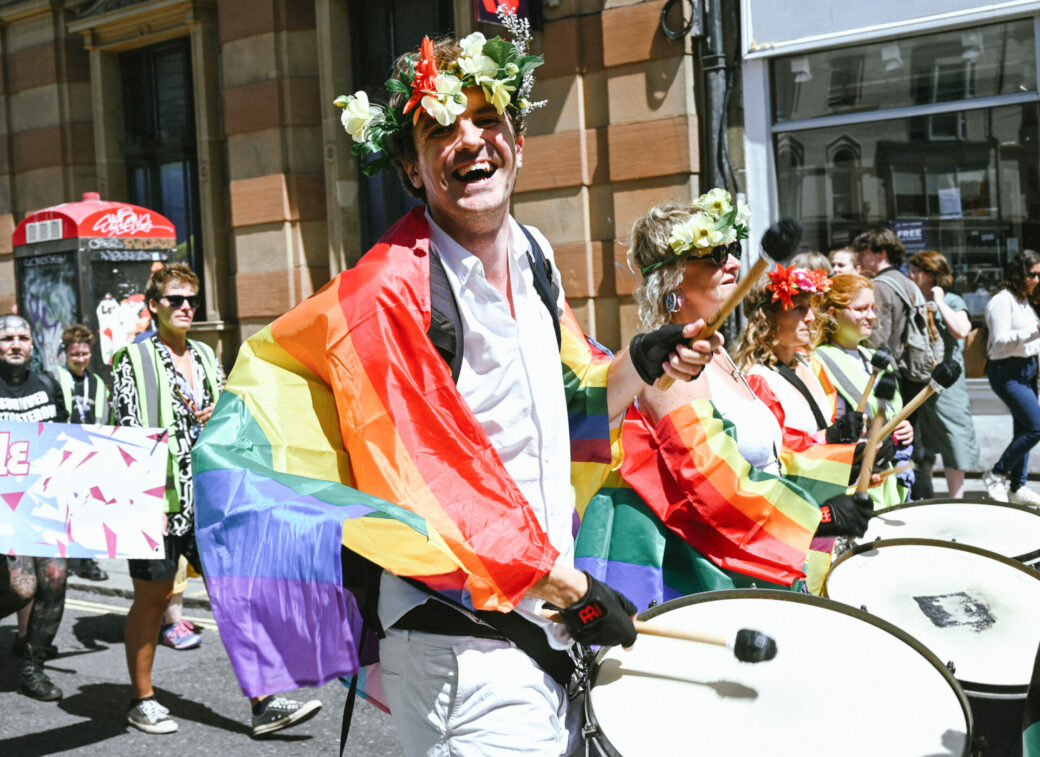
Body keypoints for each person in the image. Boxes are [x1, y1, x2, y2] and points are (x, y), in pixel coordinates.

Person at [193, 18, 707, 756]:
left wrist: (638, 359)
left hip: (545, 623)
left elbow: (567, 402)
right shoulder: (385, 293)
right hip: (464, 651)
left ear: (518, 143)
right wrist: (573, 591)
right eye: (440, 127)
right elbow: (430, 479)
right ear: (412, 166)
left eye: (488, 118)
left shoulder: (534, 255)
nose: (469, 138)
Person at [580, 199, 868, 605]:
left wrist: (841, 456)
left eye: (735, 250)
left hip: (757, 562)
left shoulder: (720, 356)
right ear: (673, 276)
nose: (734, 263)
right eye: (716, 254)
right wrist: (815, 518)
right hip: (710, 577)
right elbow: (708, 482)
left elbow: (771, 455)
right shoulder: (668, 371)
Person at [111, 264, 320, 735]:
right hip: (158, 503)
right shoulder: (132, 360)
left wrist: (222, 412)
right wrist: (144, 504)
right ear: (153, 307)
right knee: (153, 598)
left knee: (237, 596)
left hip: (210, 498)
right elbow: (124, 436)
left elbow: (235, 418)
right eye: (174, 300)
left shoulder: (206, 355)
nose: (185, 308)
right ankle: (141, 699)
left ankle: (264, 701)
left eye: (191, 300)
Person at [0, 314, 69, 701]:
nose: (15, 344)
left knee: (56, 578)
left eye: (23, 337)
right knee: (22, 587)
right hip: (3, 506)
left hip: (43, 503)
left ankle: (33, 666)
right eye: (7, 338)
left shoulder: (47, 384)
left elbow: (67, 439)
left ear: (32, 344)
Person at [852, 227, 942, 499]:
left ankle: (905, 495)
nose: (861, 259)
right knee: (914, 438)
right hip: (915, 373)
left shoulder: (881, 286)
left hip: (894, 375)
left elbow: (877, 339)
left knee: (897, 442)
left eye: (864, 253)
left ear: (879, 253)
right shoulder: (908, 282)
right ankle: (922, 493)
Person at [814, 274, 914, 510]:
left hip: (888, 476)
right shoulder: (817, 361)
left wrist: (904, 427)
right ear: (834, 313)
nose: (870, 316)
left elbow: (895, 412)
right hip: (853, 479)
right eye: (860, 309)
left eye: (873, 308)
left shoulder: (875, 358)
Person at [905, 251, 980, 499]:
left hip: (948, 384)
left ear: (930, 275)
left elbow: (961, 330)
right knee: (921, 442)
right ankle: (924, 495)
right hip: (917, 380)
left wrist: (939, 301)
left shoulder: (953, 300)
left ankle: (956, 499)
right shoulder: (909, 299)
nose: (910, 275)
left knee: (954, 437)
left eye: (915, 271)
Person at [981, 249, 1040, 504]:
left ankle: (1017, 487)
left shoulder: (1023, 301)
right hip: (1007, 371)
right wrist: (1032, 331)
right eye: (1032, 274)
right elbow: (999, 341)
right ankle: (996, 473)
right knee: (1036, 427)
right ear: (1018, 272)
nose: (1037, 279)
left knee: (1024, 429)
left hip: (1027, 369)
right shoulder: (1002, 301)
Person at [53, 324, 110, 582]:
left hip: (91, 453)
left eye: (85, 354)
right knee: (61, 509)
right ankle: (59, 560)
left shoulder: (97, 384)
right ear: (66, 354)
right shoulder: (54, 378)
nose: (80, 359)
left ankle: (86, 561)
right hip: (63, 452)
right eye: (75, 355)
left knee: (88, 509)